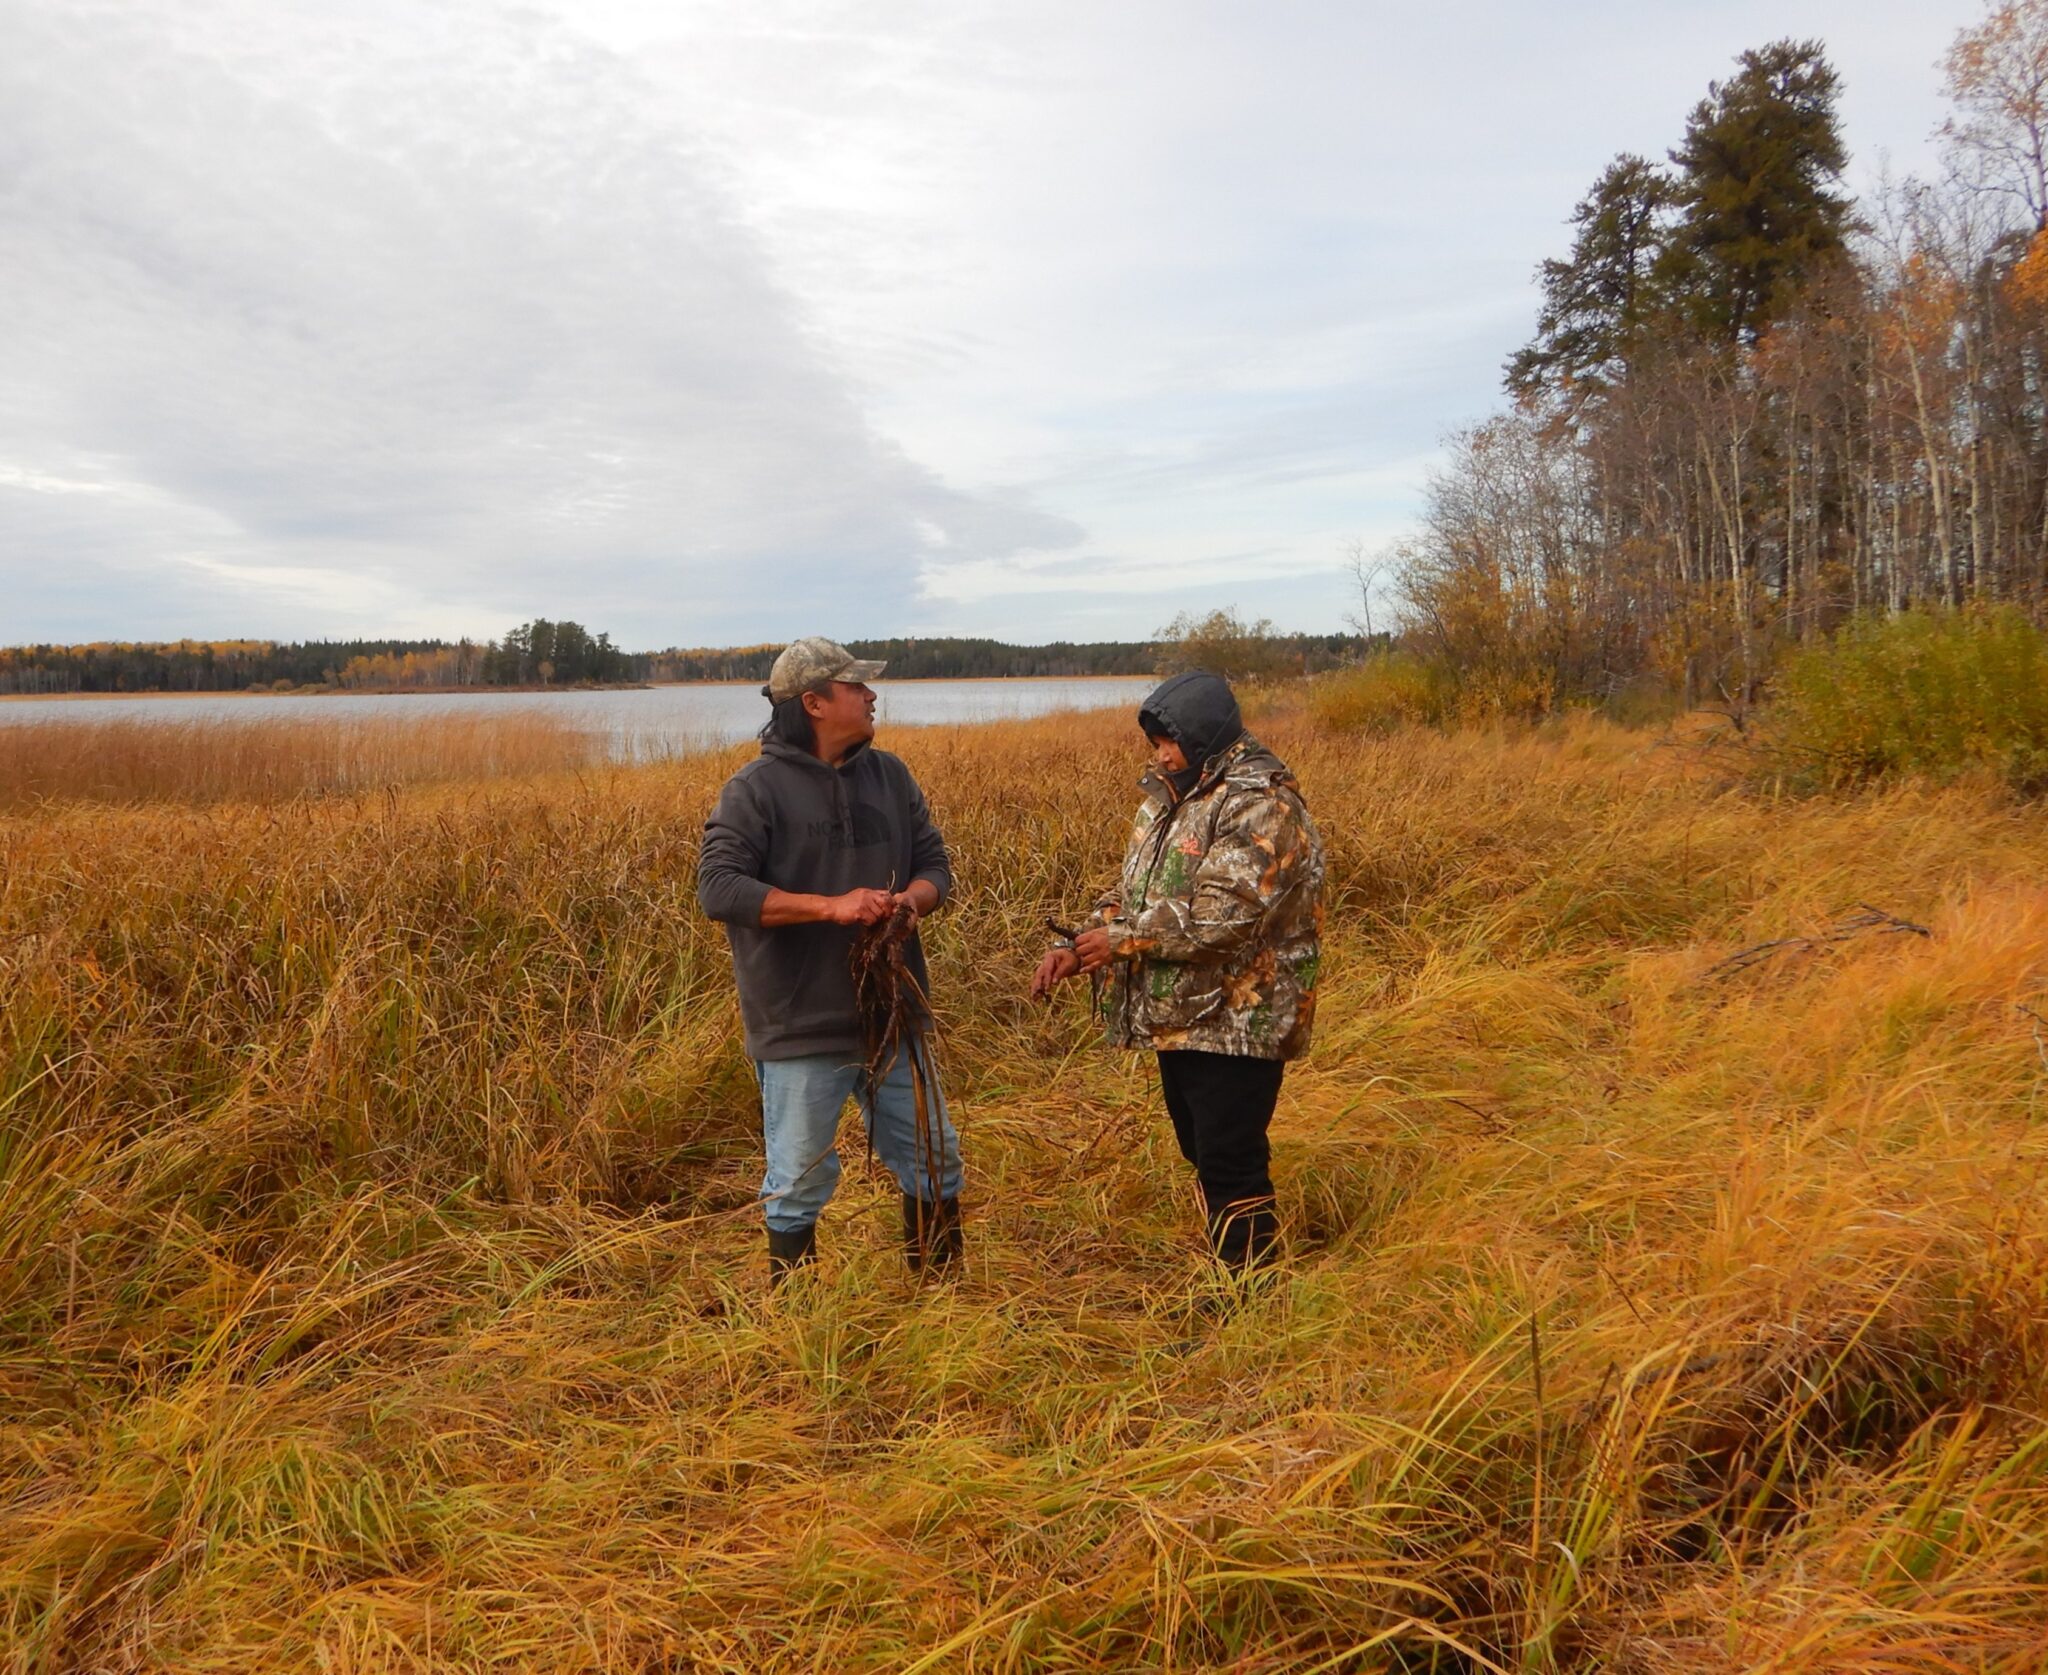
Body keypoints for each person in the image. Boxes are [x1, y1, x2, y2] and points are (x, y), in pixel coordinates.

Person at [1032, 670, 1323, 1273]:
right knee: (1204, 1150)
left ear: (1208, 735)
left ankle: (1250, 1299)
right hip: (1184, 1014)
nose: (1161, 755)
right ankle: (1235, 1277)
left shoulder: (1259, 803)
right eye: (1155, 743)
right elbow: (1137, 893)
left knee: (1230, 1159)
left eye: (1171, 741)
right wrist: (1086, 940)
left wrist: (1120, 940)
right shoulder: (1172, 798)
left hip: (1242, 1018)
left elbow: (1226, 918)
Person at [698, 636, 965, 1283]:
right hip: (800, 1025)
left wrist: (911, 901)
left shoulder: (891, 775)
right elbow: (719, 888)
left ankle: (944, 1301)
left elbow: (937, 867)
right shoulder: (754, 791)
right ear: (813, 701)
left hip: (894, 1015)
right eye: (856, 687)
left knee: (936, 1160)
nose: (872, 696)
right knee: (797, 1181)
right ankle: (799, 1323)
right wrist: (831, 907)